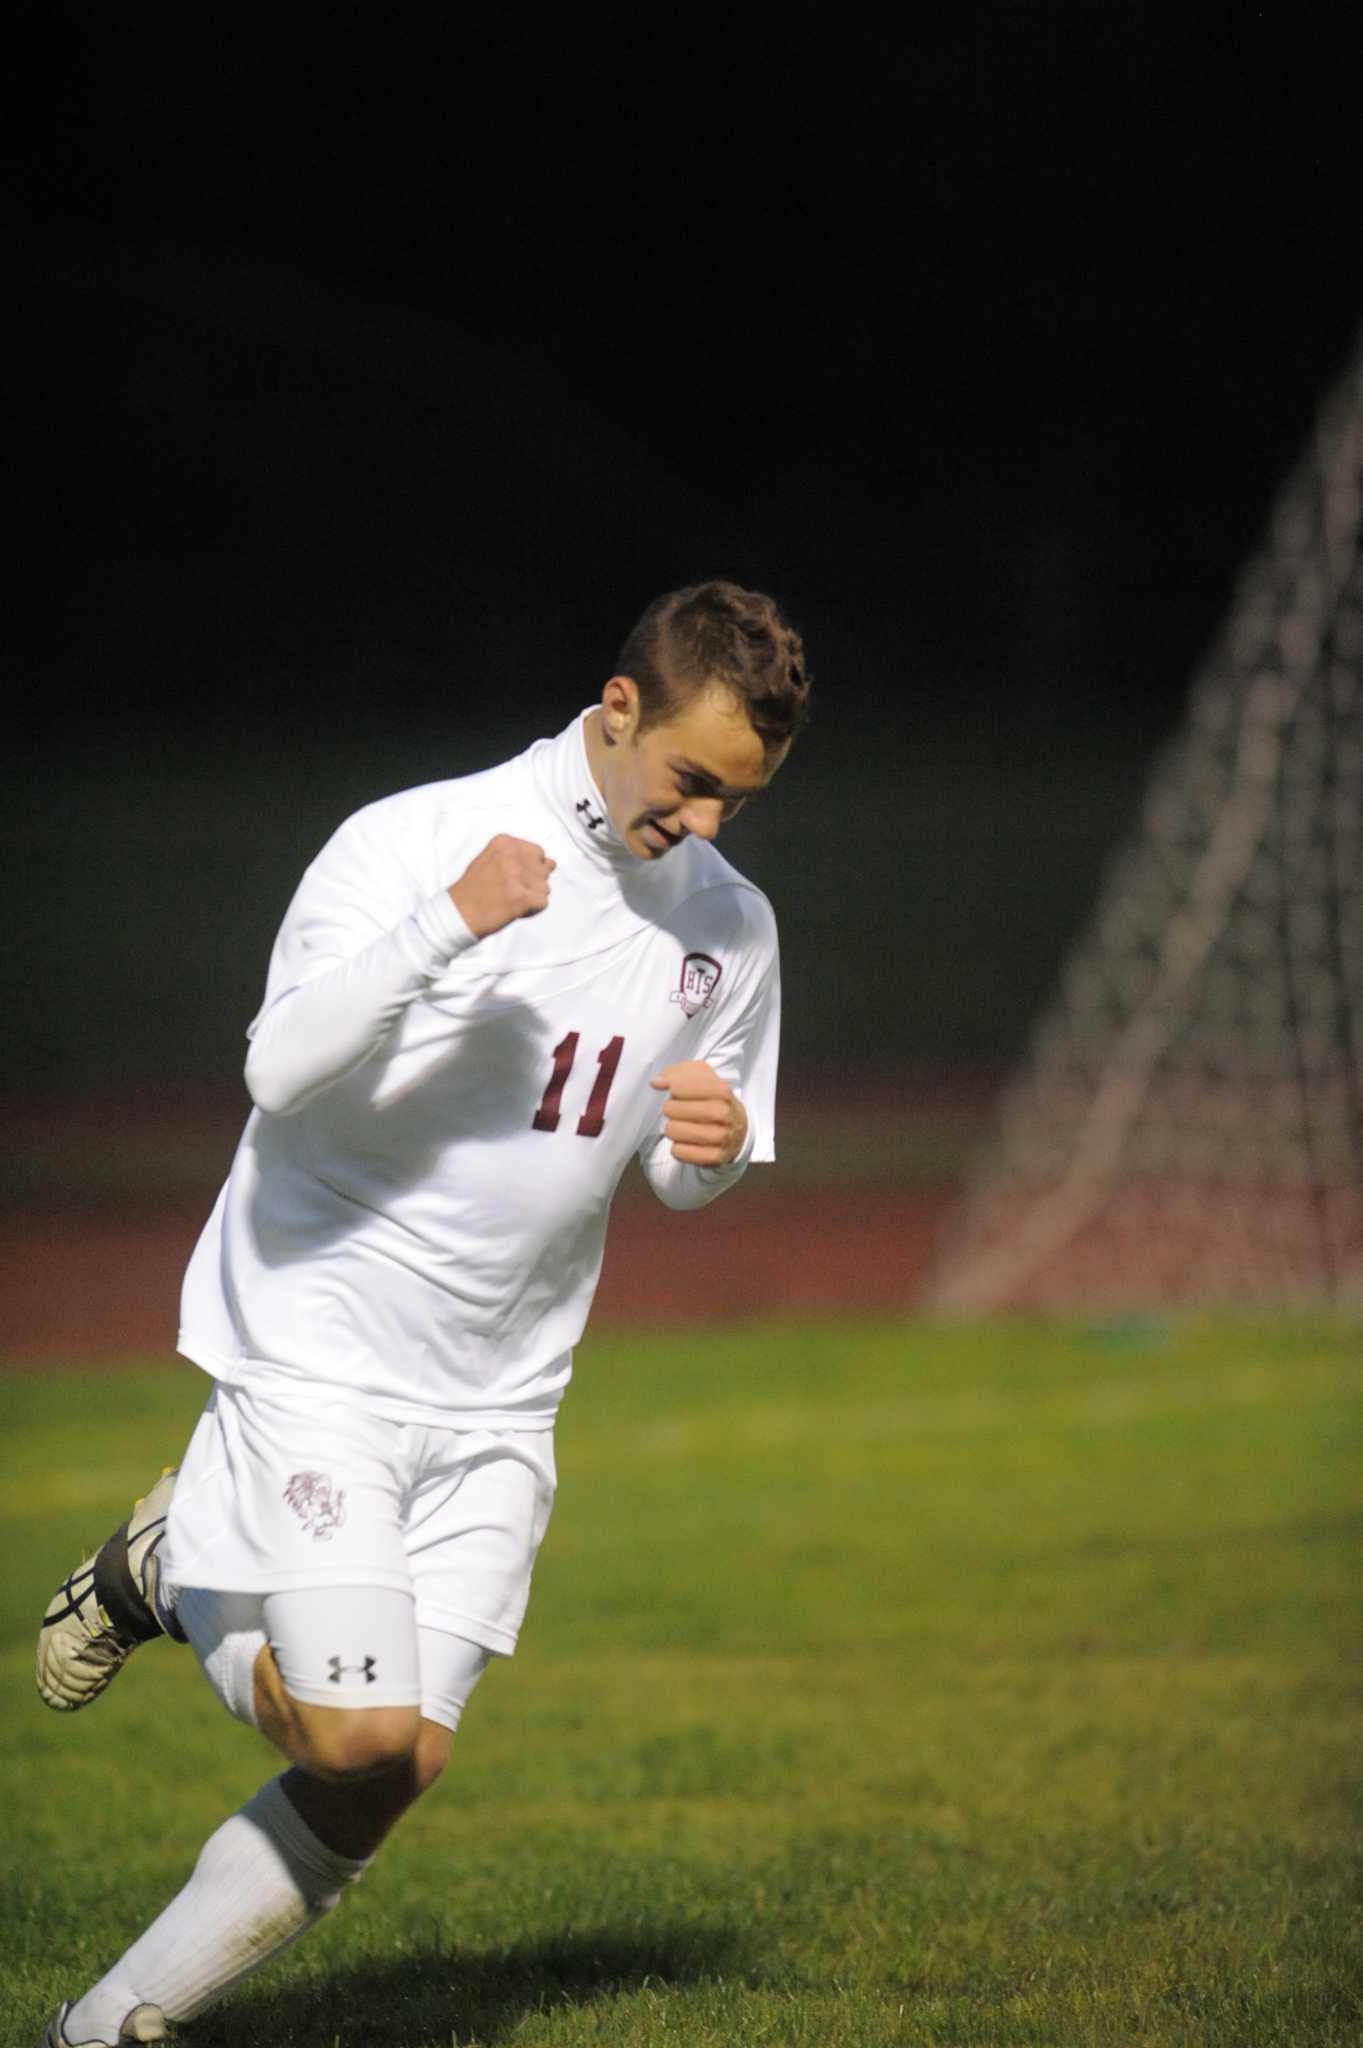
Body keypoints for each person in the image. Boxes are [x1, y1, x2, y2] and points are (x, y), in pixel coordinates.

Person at [34, 579, 811, 2047]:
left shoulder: (733, 928)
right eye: (693, 781)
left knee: (400, 1767)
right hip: (319, 1344)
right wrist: (447, 928)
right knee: (355, 1729)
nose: (709, 822)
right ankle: (177, 1569)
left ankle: (106, 2027)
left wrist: (701, 1162)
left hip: (505, 1390)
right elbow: (276, 1069)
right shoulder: (414, 843)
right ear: (619, 706)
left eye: (742, 799)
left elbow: (667, 1167)